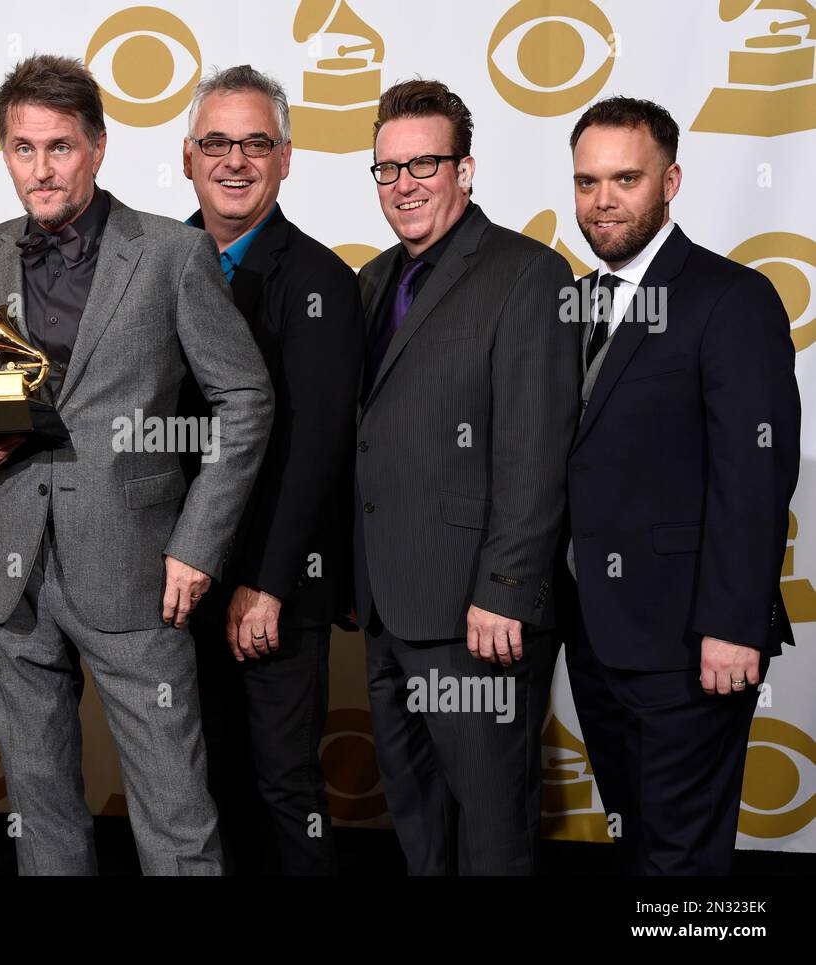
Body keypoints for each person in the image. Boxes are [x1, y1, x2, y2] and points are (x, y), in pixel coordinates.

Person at [0, 53, 273, 875]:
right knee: (41, 807)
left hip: (135, 568)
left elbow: (244, 399)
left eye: (59, 147)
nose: (41, 168)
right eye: (23, 148)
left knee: (174, 815)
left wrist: (198, 544)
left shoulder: (168, 254)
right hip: (11, 563)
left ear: (97, 146)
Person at [564, 96, 799, 874]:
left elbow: (755, 470)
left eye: (625, 178)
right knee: (640, 842)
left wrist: (735, 622)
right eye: (588, 181)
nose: (603, 200)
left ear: (671, 180)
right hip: (598, 637)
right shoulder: (578, 303)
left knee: (682, 860)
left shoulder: (730, 298)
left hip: (693, 641)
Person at [355, 79, 578, 874]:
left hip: (476, 615)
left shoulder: (529, 275)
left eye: (425, 163)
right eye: (388, 168)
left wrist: (506, 587)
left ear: (467, 169)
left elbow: (535, 448)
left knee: (489, 825)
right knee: (417, 821)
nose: (404, 184)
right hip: (387, 606)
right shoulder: (375, 282)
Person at [181, 65, 362, 875]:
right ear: (188, 155)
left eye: (256, 143)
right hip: (176, 584)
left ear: (285, 158)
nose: (235, 160)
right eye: (217, 142)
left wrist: (268, 584)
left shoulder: (321, 281)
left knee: (283, 784)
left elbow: (315, 449)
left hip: (271, 586)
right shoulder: (158, 263)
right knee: (197, 784)